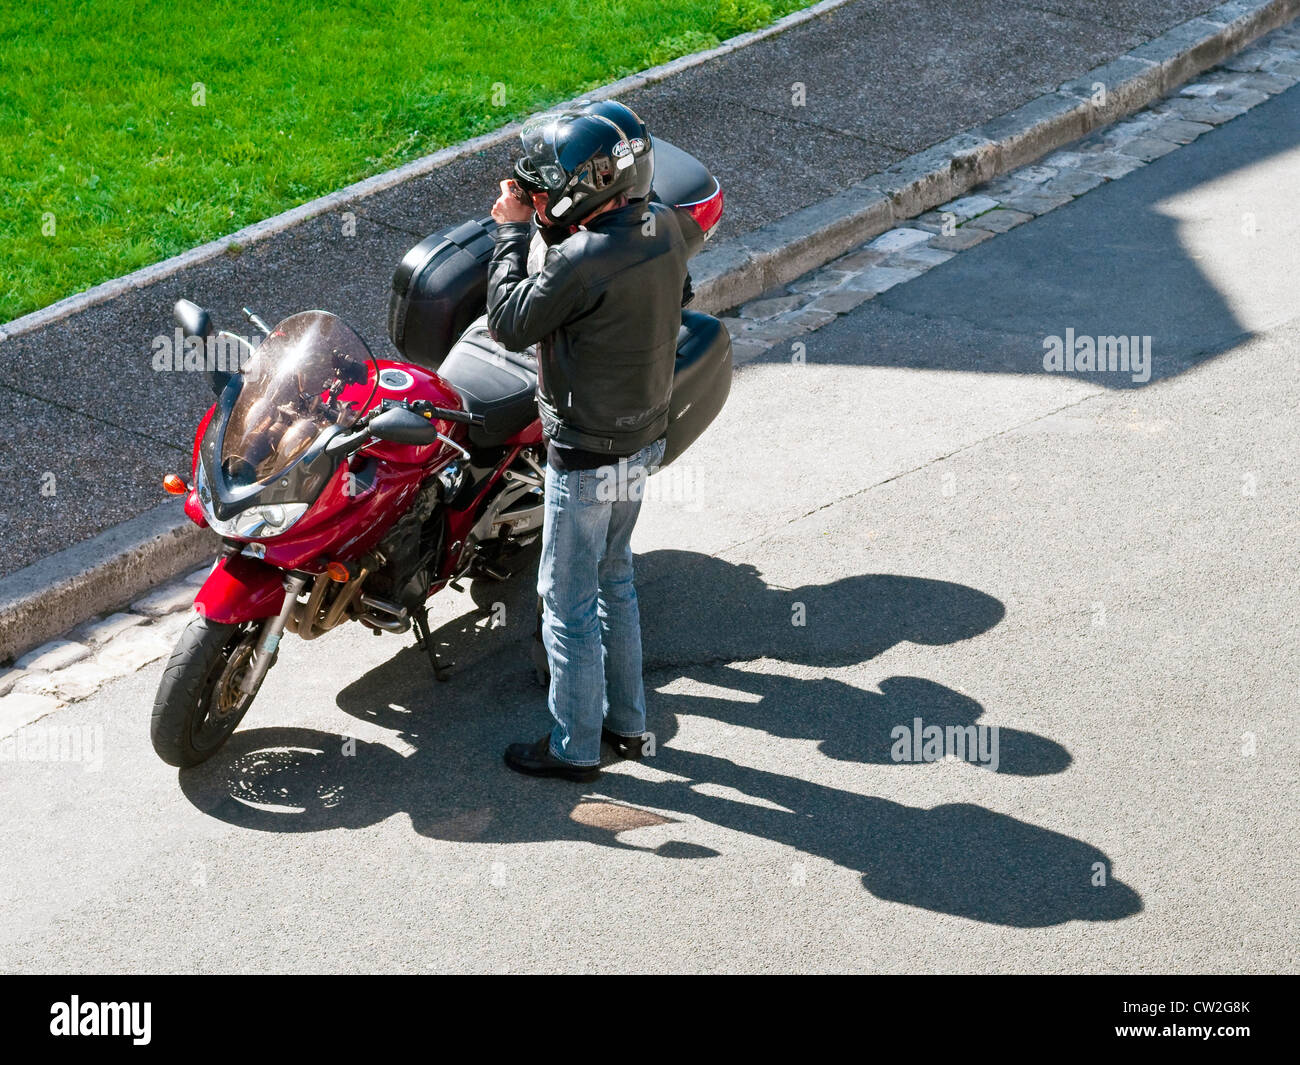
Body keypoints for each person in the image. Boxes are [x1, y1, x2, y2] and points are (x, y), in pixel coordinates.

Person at [486, 109, 689, 782]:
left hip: (586, 454)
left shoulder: (580, 257)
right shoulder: (664, 231)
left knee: (566, 599)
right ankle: (627, 724)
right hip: (642, 440)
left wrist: (513, 233)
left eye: (545, 189)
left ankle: (574, 746)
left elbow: (511, 322)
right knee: (615, 576)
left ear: (591, 184)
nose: (537, 199)